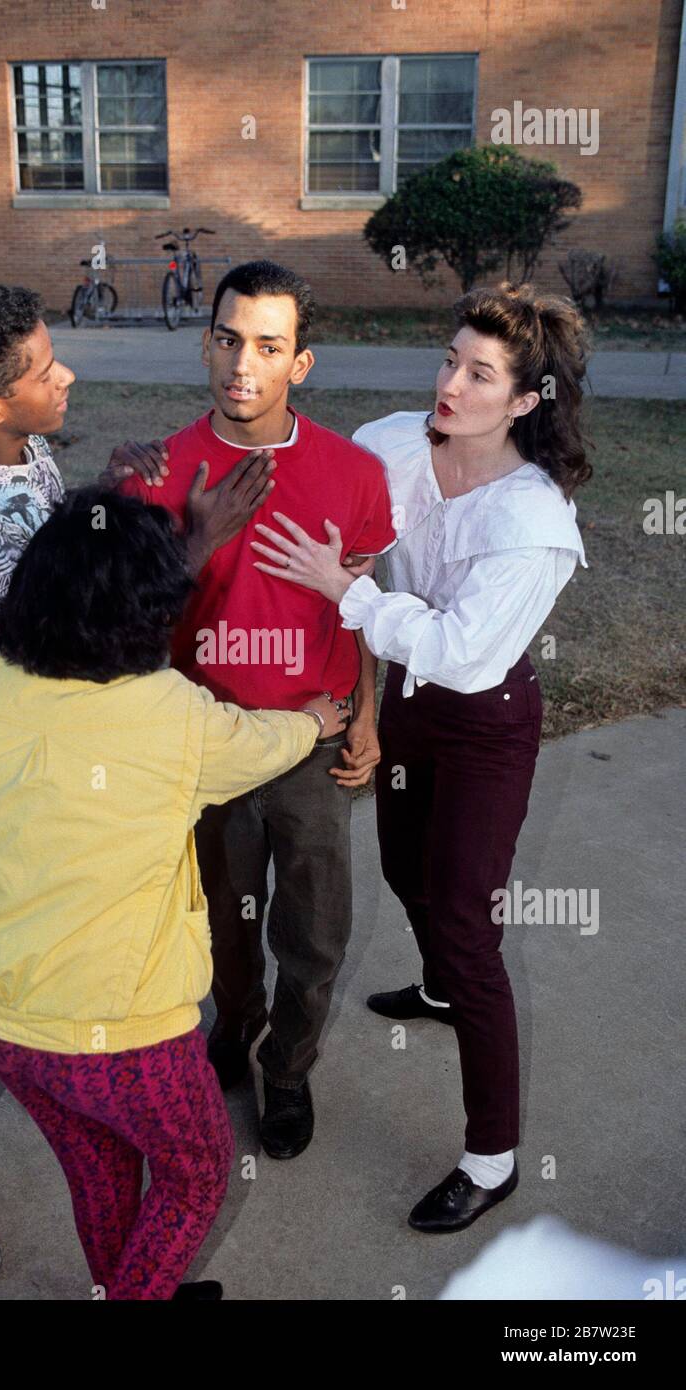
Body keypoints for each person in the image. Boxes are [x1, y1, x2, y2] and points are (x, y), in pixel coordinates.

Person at [0, 283, 275, 1278]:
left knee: (53, 933)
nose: (63, 373)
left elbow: (68, 573)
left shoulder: (10, 451)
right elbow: (68, 645)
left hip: (48, 714)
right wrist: (188, 544)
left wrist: (100, 499)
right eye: (40, 369)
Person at [0, 486, 348, 1300]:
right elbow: (257, 746)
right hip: (116, 1029)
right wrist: (317, 719)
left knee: (101, 1167)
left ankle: (128, 1283)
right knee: (195, 1175)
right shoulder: (169, 715)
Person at [250, 281, 591, 1229]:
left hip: (484, 718)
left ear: (526, 401)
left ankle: (492, 1163)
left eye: (479, 373)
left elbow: (464, 652)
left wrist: (348, 592)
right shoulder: (397, 439)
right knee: (405, 867)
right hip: (409, 701)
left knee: (470, 933)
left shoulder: (533, 523)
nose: (450, 382)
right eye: (449, 358)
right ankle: (437, 984)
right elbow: (344, 512)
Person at [114, 260, 397, 1160]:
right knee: (223, 918)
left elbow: (367, 603)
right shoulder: (157, 470)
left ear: (299, 364)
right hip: (206, 743)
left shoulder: (352, 471)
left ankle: (288, 1069)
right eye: (229, 340)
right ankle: (233, 1030)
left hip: (310, 742)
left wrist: (366, 713)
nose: (243, 364)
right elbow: (127, 627)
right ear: (206, 343)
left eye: (268, 347)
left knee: (313, 931)